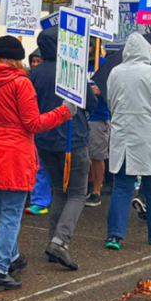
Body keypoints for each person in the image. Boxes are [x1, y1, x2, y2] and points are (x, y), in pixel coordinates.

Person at [0, 36, 72, 292]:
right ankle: (0, 270)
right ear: (18, 58)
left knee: (1, 209)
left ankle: (12, 257)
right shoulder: (20, 82)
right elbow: (33, 123)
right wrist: (63, 112)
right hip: (13, 152)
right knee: (11, 213)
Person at [31, 28, 98, 270]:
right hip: (73, 138)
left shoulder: (34, 74)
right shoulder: (73, 70)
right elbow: (91, 104)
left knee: (59, 191)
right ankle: (60, 241)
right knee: (78, 193)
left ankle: (53, 242)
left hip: (44, 139)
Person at [104, 35, 151, 249]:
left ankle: (114, 235)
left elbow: (110, 102)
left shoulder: (115, 72)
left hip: (123, 136)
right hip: (148, 136)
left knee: (122, 187)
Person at [26, 50, 52, 216]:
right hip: (35, 127)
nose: (35, 65)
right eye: (33, 61)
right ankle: (40, 201)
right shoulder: (27, 81)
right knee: (39, 165)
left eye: (38, 61)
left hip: (52, 125)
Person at [85, 48, 111, 207]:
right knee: (82, 154)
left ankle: (97, 190)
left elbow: (115, 89)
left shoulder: (104, 65)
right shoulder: (78, 61)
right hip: (80, 114)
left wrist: (102, 91)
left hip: (98, 115)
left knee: (96, 155)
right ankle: (86, 185)